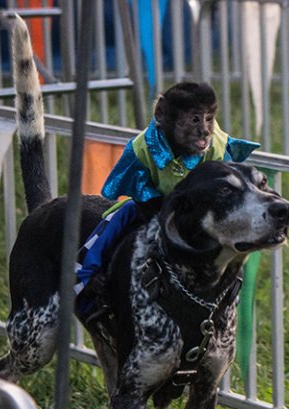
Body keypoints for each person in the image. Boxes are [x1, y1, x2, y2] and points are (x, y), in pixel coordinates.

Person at [75, 81, 259, 320]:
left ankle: (228, 292)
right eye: (195, 119)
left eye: (209, 118)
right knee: (113, 222)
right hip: (155, 205)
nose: (204, 129)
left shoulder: (219, 146)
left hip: (201, 212)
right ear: (162, 114)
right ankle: (88, 279)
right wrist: (161, 216)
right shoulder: (143, 148)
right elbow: (142, 190)